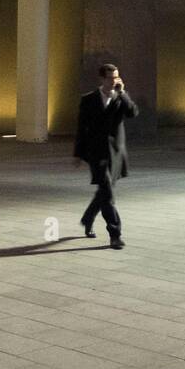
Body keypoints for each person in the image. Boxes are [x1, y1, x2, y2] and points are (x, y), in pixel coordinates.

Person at [73, 63, 138, 248]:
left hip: (116, 153)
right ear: (102, 79)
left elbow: (133, 112)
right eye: (110, 78)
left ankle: (88, 218)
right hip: (96, 152)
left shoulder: (120, 97)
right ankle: (115, 234)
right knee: (108, 193)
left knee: (104, 191)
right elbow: (81, 128)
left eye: (116, 77)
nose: (113, 81)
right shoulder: (88, 100)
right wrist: (77, 154)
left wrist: (123, 93)